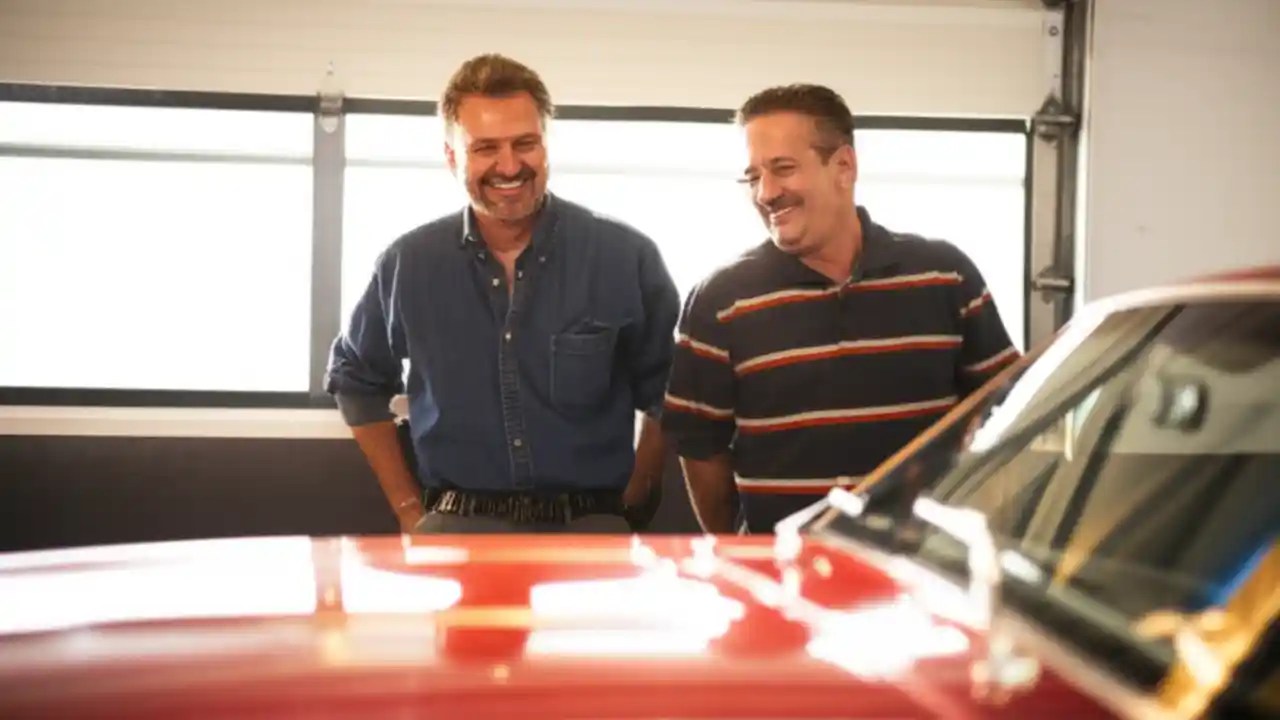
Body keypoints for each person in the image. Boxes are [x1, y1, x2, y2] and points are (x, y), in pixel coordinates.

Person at [326, 54, 679, 534]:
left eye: (525, 144)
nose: (509, 165)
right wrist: (410, 512)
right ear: (452, 157)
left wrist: (640, 489)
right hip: (455, 528)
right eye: (485, 148)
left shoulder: (625, 256)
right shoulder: (408, 263)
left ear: (546, 146)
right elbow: (354, 381)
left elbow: (668, 387)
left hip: (593, 531)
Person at [661, 84, 1019, 534]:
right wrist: (740, 554)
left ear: (844, 166)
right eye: (753, 177)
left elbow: (1008, 414)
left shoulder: (946, 277)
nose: (766, 193)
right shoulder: (720, 300)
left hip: (921, 576)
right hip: (784, 577)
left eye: (783, 169)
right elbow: (700, 449)